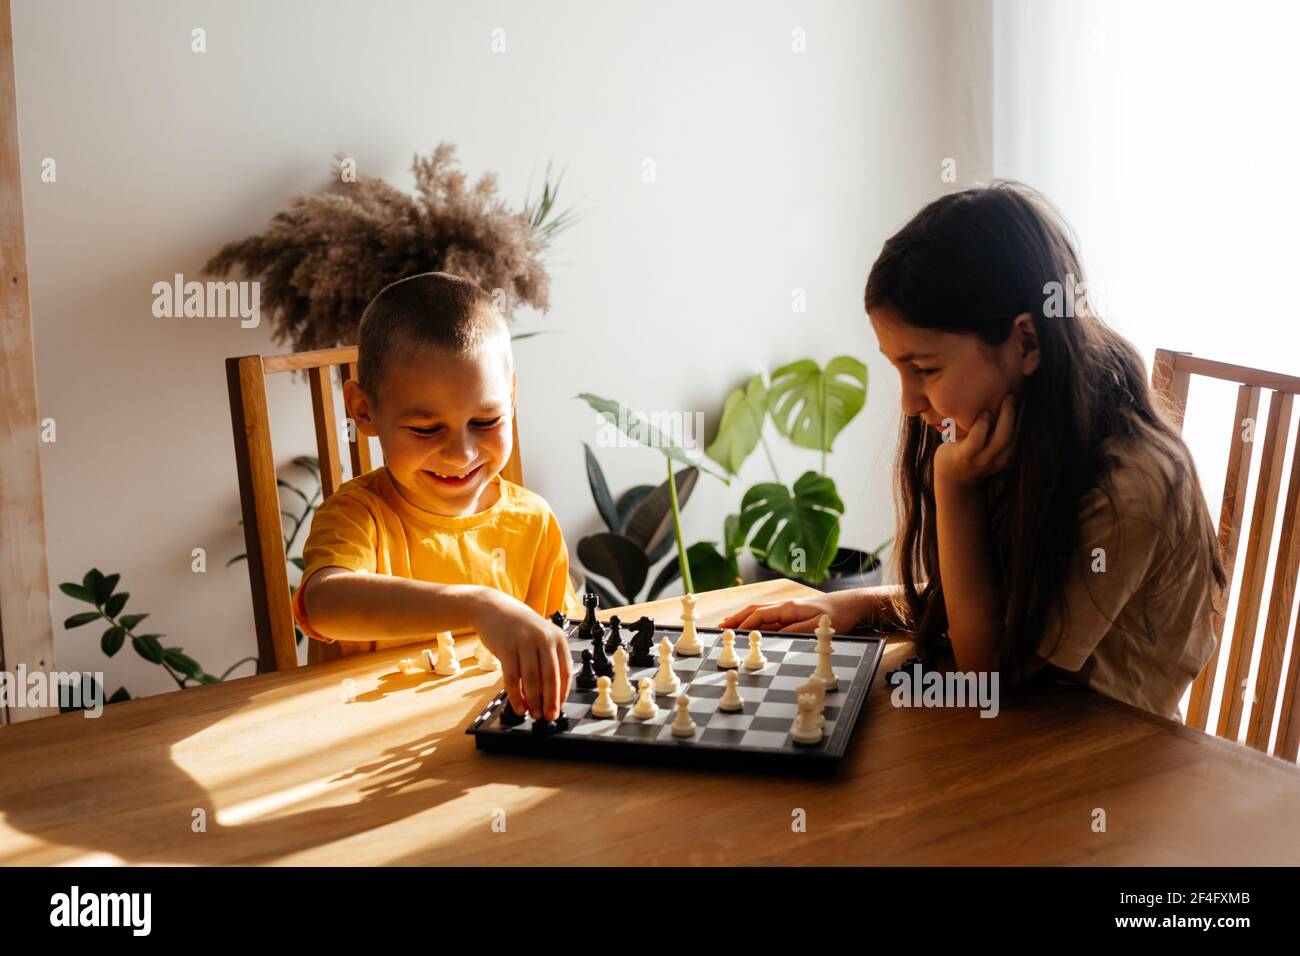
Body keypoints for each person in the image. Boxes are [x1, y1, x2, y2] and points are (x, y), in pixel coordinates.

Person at [721, 183, 1227, 721]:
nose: (911, 401)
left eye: (926, 370)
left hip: (1101, 765)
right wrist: (855, 604)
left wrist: (954, 488)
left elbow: (990, 675)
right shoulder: (1006, 431)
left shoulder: (1133, 484)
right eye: (898, 367)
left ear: (1026, 343)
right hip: (1011, 739)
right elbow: (987, 609)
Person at [293, 272, 577, 721]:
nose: (461, 453)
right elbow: (323, 605)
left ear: (512, 396)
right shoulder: (357, 516)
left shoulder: (533, 522)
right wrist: (479, 605)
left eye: (485, 421)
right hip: (359, 746)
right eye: (426, 429)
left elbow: (564, 639)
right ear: (363, 412)